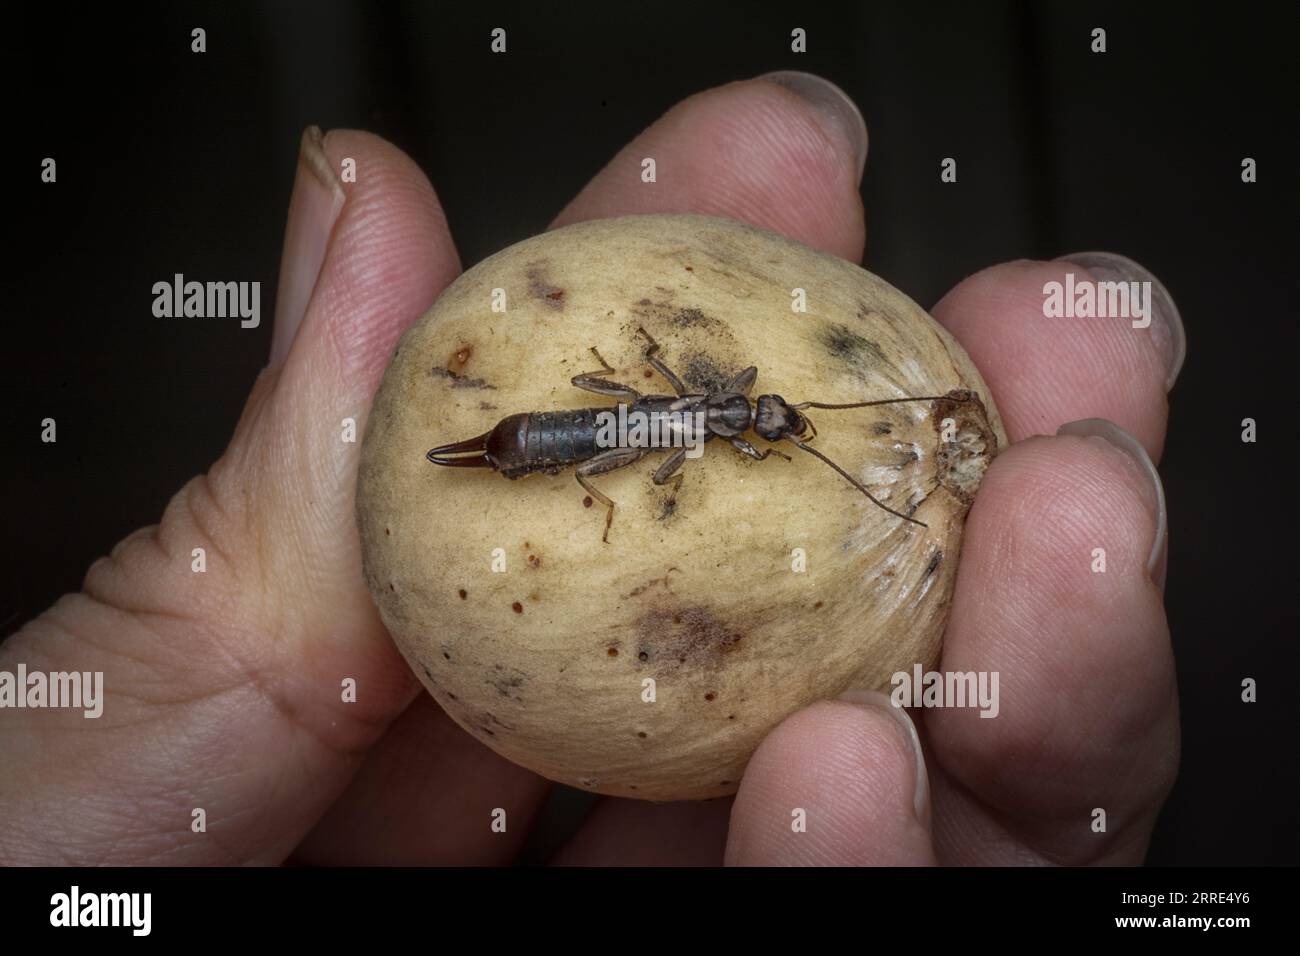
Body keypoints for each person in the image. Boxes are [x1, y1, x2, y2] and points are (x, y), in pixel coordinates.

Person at [0, 72, 1182, 865]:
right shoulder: (721, 406)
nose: (763, 425)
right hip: (565, 438)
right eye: (764, 420)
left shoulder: (718, 414)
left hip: (574, 438)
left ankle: (500, 448)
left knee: (610, 439)